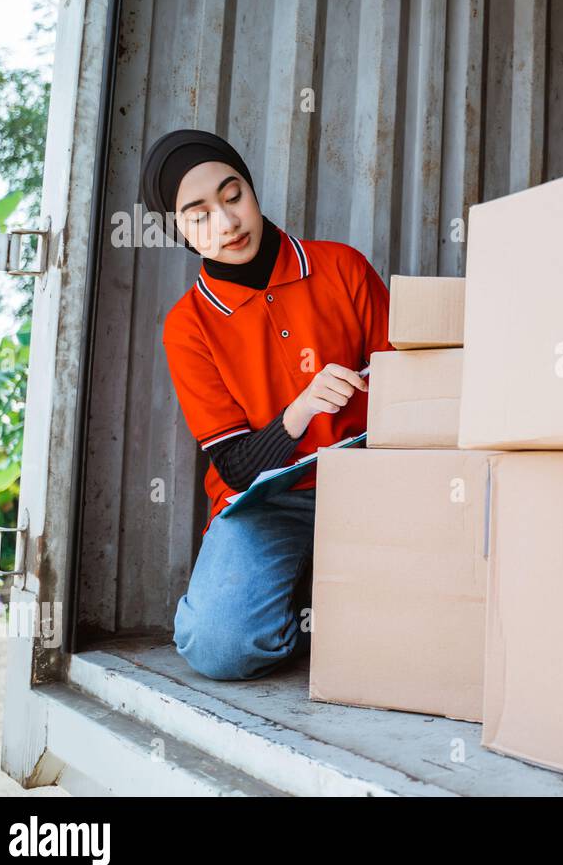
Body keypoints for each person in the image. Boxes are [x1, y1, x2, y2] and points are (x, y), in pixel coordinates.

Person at [140, 129, 393, 681]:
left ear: (252, 191)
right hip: (267, 505)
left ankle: (331, 599)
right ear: (177, 230)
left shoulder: (341, 266)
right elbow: (232, 465)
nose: (227, 223)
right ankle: (306, 607)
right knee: (218, 646)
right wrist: (298, 413)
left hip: (375, 485)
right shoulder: (188, 327)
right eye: (198, 213)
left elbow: (413, 386)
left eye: (233, 196)